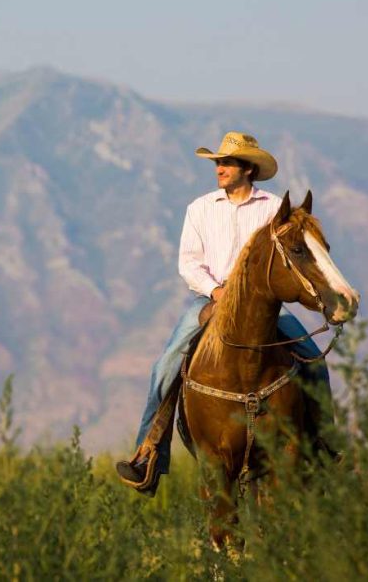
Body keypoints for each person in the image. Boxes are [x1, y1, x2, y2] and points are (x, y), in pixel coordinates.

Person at [116, 131, 331, 493]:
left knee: (313, 360)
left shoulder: (272, 209)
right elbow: (189, 263)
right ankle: (148, 453)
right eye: (218, 162)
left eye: (227, 162)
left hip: (264, 306)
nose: (220, 168)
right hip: (212, 300)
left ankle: (323, 446)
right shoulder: (199, 208)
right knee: (166, 363)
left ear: (248, 168)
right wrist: (216, 291)